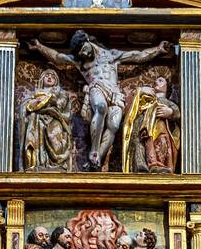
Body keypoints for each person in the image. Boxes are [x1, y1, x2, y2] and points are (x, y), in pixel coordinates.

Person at [30, 31, 173, 168]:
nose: (83, 54)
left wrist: (159, 49)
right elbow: (57, 57)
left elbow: (138, 55)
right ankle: (94, 150)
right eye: (80, 53)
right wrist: (39, 46)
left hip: (115, 93)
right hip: (97, 87)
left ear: (87, 40)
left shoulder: (111, 55)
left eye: (83, 49)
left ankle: (97, 158)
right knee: (100, 107)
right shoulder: (81, 63)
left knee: (114, 126)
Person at [18, 68, 74, 171]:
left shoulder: (60, 92)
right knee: (33, 127)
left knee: (55, 142)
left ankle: (56, 163)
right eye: (47, 75)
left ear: (56, 81)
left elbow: (61, 104)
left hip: (54, 118)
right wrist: (32, 104)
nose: (50, 78)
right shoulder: (34, 94)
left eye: (53, 77)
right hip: (37, 119)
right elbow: (26, 106)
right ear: (42, 79)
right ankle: (38, 163)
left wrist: (46, 100)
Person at [123, 75, 180, 172]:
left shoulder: (167, 102)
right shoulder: (146, 97)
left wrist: (170, 112)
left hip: (159, 127)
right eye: (155, 81)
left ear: (167, 88)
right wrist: (140, 90)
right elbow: (133, 107)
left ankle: (158, 164)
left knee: (161, 139)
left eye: (161, 81)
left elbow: (177, 112)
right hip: (142, 125)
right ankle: (141, 165)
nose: (156, 82)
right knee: (139, 144)